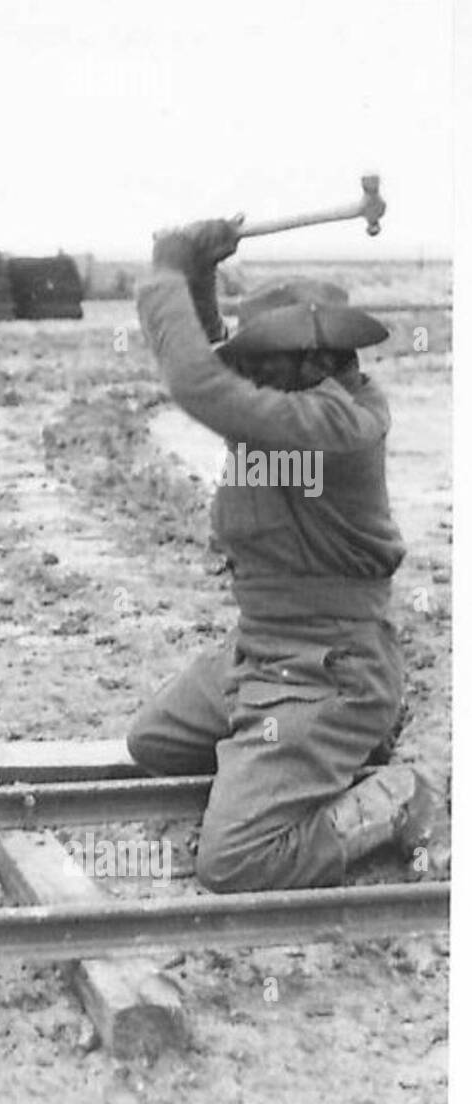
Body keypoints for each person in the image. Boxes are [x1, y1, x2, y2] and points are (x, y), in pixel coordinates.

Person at [126, 217, 434, 892]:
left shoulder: (333, 428)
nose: (249, 372)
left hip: (330, 667)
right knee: (153, 743)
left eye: (265, 359)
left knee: (234, 859)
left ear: (315, 362)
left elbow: (202, 385)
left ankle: (399, 793)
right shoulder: (292, 404)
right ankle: (329, 748)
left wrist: (166, 273)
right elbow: (216, 366)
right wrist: (199, 276)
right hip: (262, 649)